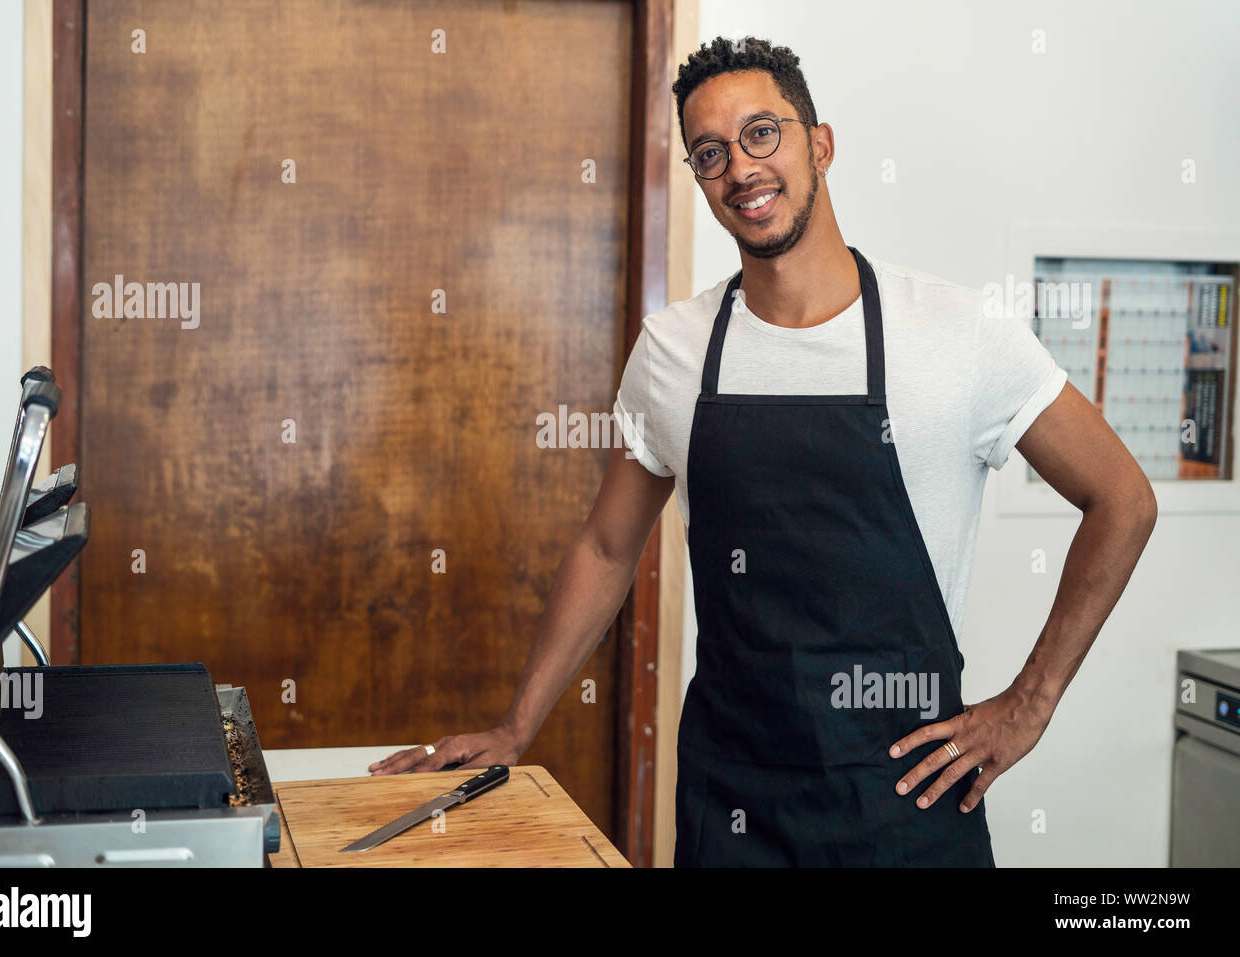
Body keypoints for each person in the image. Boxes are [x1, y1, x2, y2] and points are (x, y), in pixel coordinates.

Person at [370, 36, 1157, 866]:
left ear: (819, 143)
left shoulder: (958, 334)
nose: (740, 167)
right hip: (734, 801)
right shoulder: (673, 351)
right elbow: (607, 546)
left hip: (911, 802)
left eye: (761, 134)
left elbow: (1122, 499)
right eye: (710, 152)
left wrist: (1031, 702)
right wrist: (515, 723)